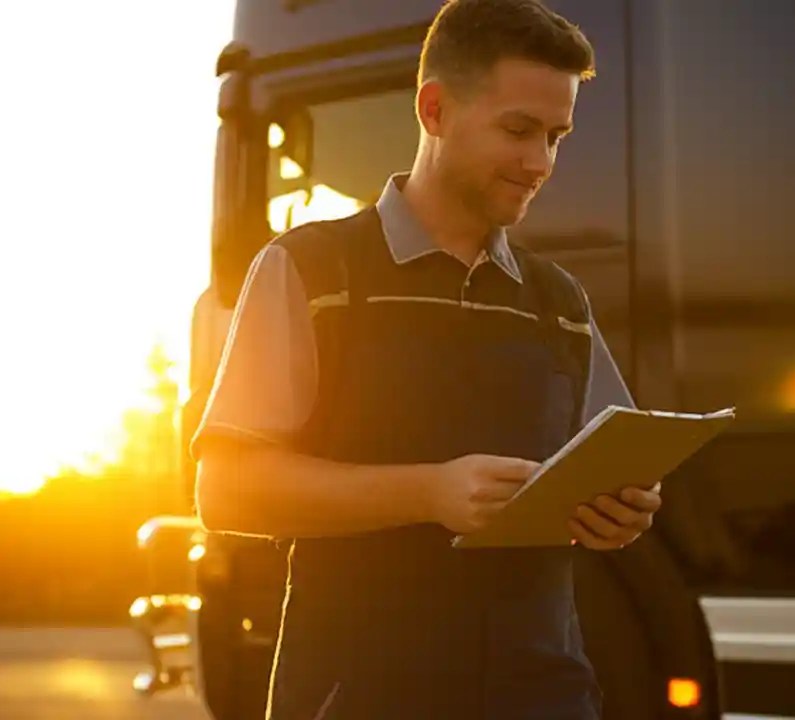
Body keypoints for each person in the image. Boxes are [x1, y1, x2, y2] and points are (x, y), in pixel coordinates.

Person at [191, 0, 662, 717]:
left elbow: (605, 468)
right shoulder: (311, 270)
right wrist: (430, 493)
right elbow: (226, 491)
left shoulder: (560, 300)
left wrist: (623, 511)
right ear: (434, 109)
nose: (540, 162)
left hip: (546, 698)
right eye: (518, 130)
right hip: (358, 700)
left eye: (556, 137)